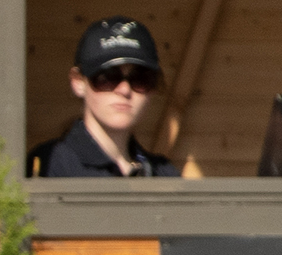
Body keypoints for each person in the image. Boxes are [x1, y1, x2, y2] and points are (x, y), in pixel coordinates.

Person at [27, 17, 179, 178]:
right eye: (107, 78)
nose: (124, 89)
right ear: (78, 82)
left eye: (140, 79)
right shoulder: (50, 164)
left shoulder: (164, 174)